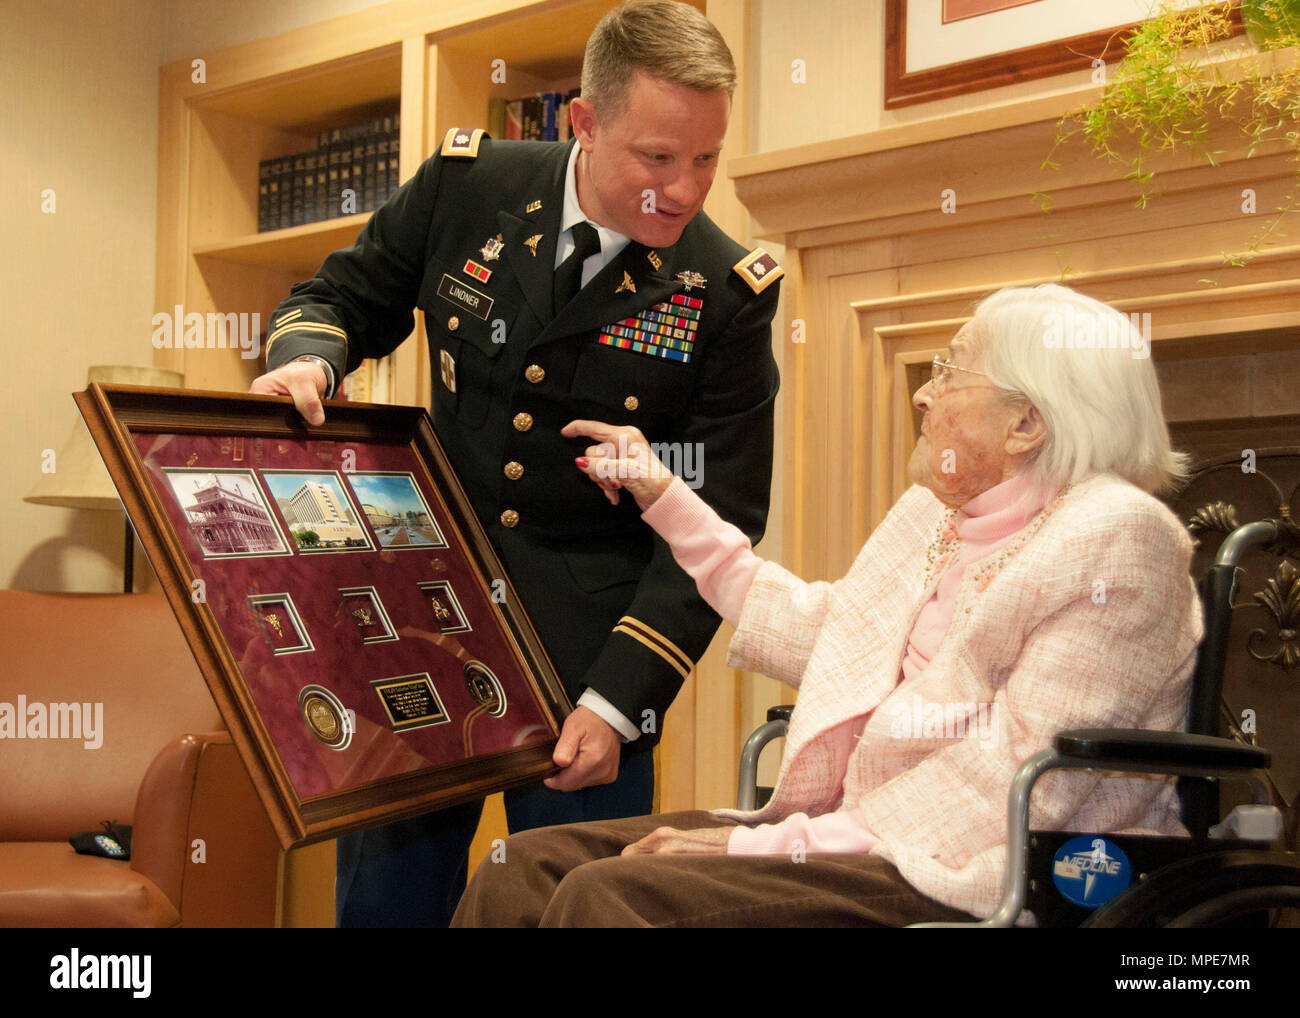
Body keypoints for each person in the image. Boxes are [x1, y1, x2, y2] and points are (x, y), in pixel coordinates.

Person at [249, 1, 781, 927]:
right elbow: (342, 294)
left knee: (568, 908)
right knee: (386, 905)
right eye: (657, 157)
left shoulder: (725, 294)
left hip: (588, 669)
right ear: (583, 119)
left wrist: (621, 702)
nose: (685, 189)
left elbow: (717, 522)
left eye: (706, 158)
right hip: (420, 632)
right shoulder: (471, 187)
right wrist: (312, 357)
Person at [451, 283, 1202, 928]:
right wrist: (665, 496)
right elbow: (835, 638)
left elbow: (1018, 782)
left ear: (1025, 423)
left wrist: (767, 845)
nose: (923, 391)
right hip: (857, 842)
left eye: (949, 371)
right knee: (521, 865)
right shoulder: (935, 516)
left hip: (982, 870)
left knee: (611, 899)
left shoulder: (1119, 539)